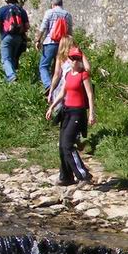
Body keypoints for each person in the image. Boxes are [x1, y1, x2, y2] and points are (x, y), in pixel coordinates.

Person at [45, 47, 96, 186]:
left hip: (77, 112)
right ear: (69, 60)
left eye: (77, 59)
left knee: (68, 144)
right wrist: (52, 107)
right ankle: (66, 176)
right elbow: (63, 93)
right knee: (62, 145)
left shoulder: (83, 75)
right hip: (66, 111)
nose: (75, 61)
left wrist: (91, 113)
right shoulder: (68, 74)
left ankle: (84, 175)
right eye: (72, 58)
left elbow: (90, 94)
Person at [0, 0, 30, 83]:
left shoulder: (3, 9)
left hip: (6, 37)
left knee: (5, 59)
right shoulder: (22, 10)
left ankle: (11, 76)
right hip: (19, 38)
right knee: (13, 57)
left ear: (7, 1)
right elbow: (27, 26)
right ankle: (13, 79)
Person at [36, 0, 73, 91]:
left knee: (43, 66)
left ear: (52, 4)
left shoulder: (49, 12)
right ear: (61, 4)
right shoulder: (67, 15)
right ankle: (57, 89)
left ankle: (48, 85)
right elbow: (70, 32)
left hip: (50, 43)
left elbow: (43, 28)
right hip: (63, 44)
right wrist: (70, 45)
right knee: (58, 68)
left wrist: (38, 40)